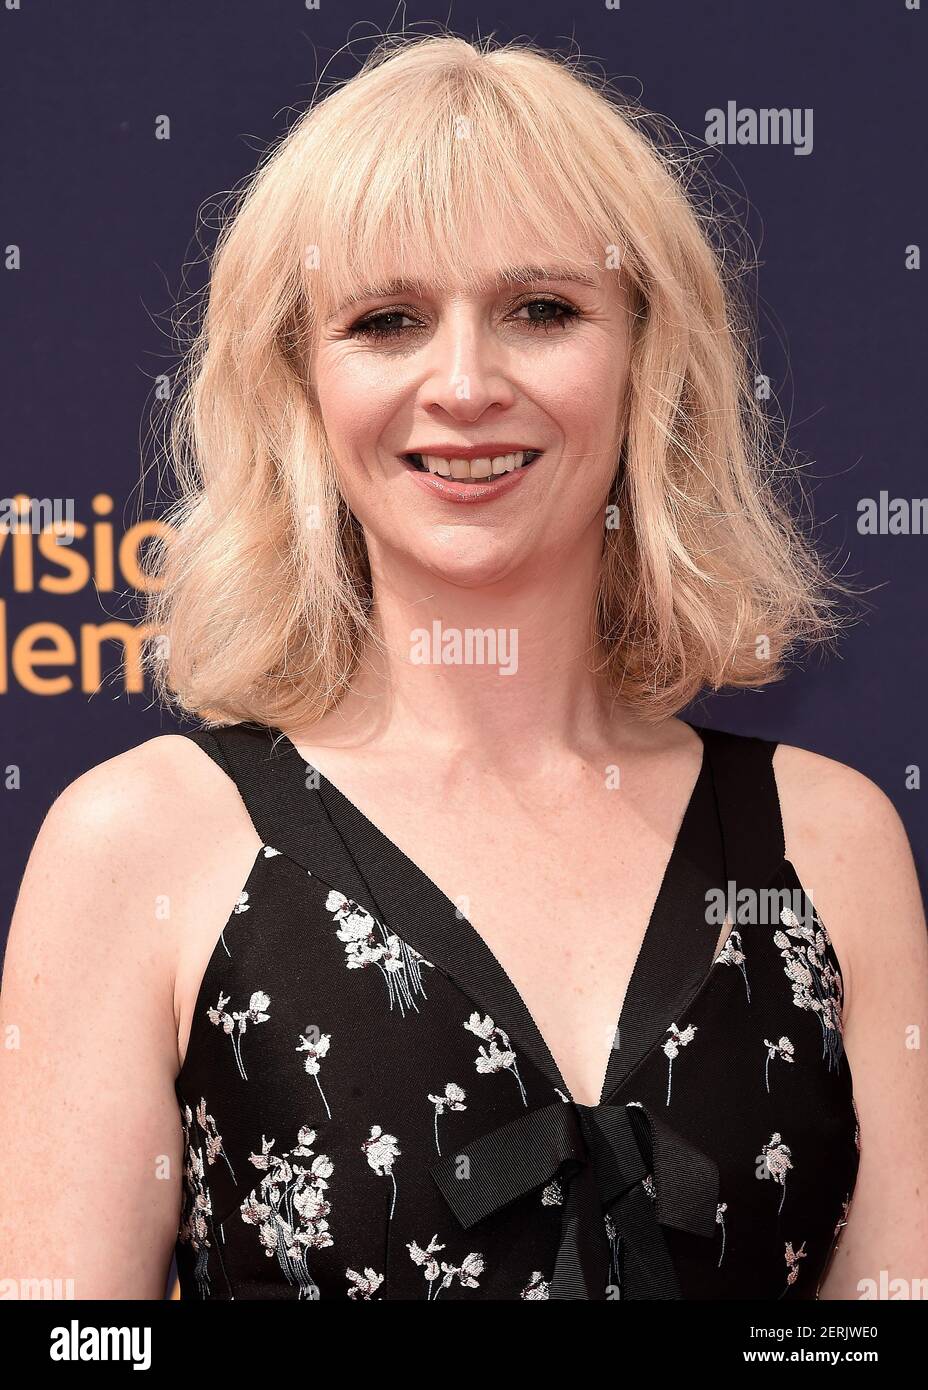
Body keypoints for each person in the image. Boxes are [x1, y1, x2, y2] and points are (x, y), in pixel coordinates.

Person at [2, 32, 926, 1302]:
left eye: (540, 310)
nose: (464, 383)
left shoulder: (832, 844)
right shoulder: (141, 844)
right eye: (386, 321)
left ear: (646, 366)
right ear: (300, 391)